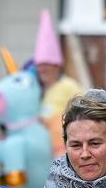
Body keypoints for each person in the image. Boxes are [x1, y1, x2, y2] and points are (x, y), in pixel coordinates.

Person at [32, 9, 82, 155]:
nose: (43, 69)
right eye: (40, 65)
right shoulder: (35, 88)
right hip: (39, 148)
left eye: (47, 64)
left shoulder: (69, 86)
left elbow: (82, 112)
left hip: (61, 147)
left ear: (57, 66)